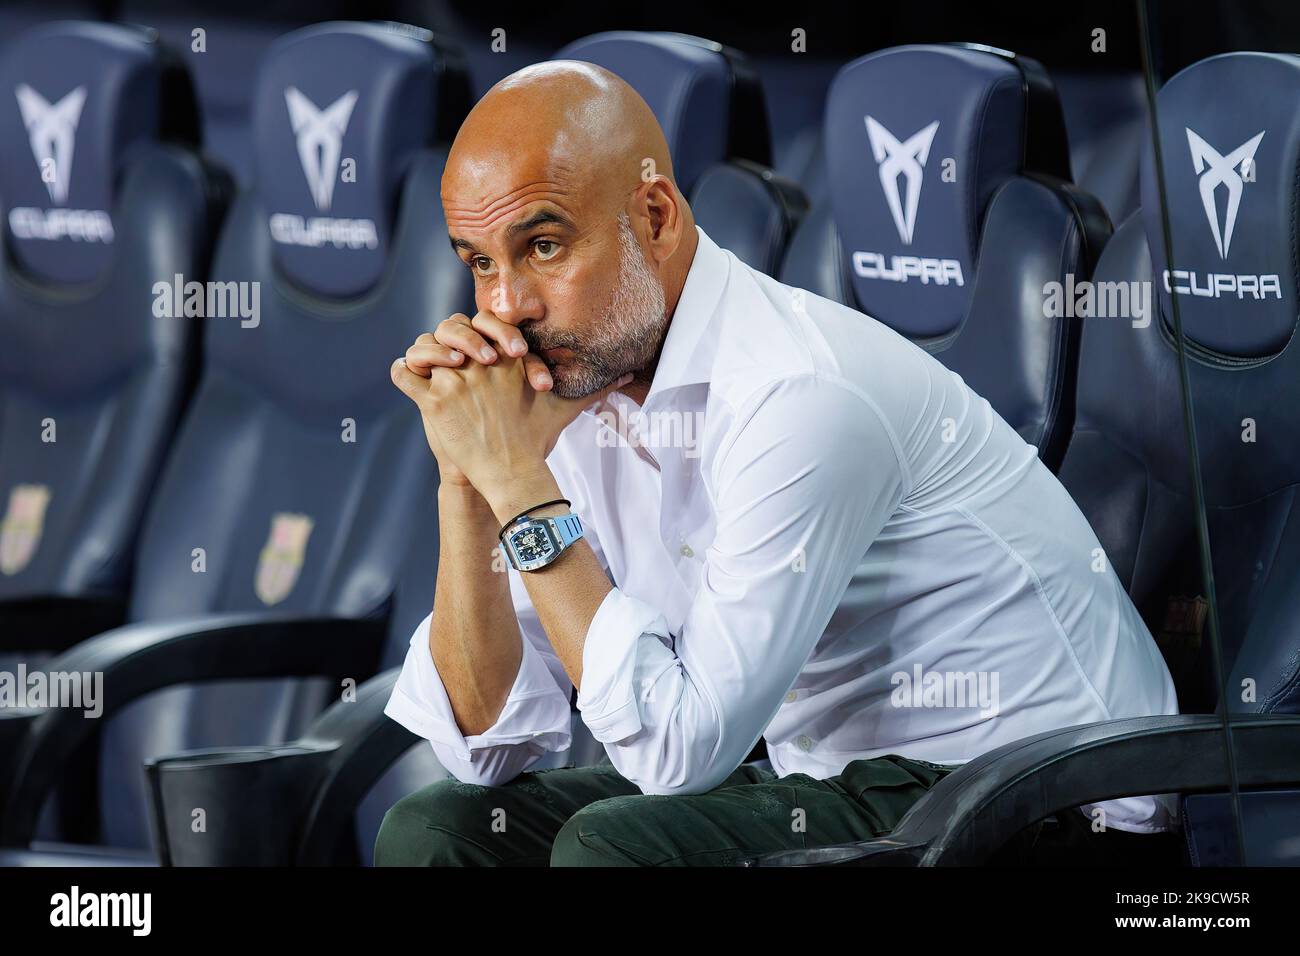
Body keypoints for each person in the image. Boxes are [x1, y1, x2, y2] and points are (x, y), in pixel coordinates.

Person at [379, 60, 1179, 866]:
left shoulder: (795, 391)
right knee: (438, 831)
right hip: (844, 787)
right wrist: (469, 479)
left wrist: (517, 481)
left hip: (1045, 802)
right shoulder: (573, 384)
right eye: (481, 262)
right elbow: (483, 745)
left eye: (543, 246)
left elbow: (677, 752)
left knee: (611, 852)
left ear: (655, 218)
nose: (506, 306)